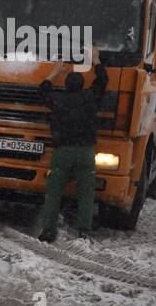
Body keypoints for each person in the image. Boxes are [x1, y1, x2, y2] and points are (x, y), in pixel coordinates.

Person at [37, 48, 108, 242]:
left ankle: (49, 230)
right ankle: (84, 230)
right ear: (83, 86)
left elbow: (41, 91)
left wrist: (55, 72)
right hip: (85, 151)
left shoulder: (58, 100)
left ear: (66, 86)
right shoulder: (90, 99)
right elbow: (102, 81)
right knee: (86, 192)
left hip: (62, 151)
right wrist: (96, 61)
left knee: (54, 192)